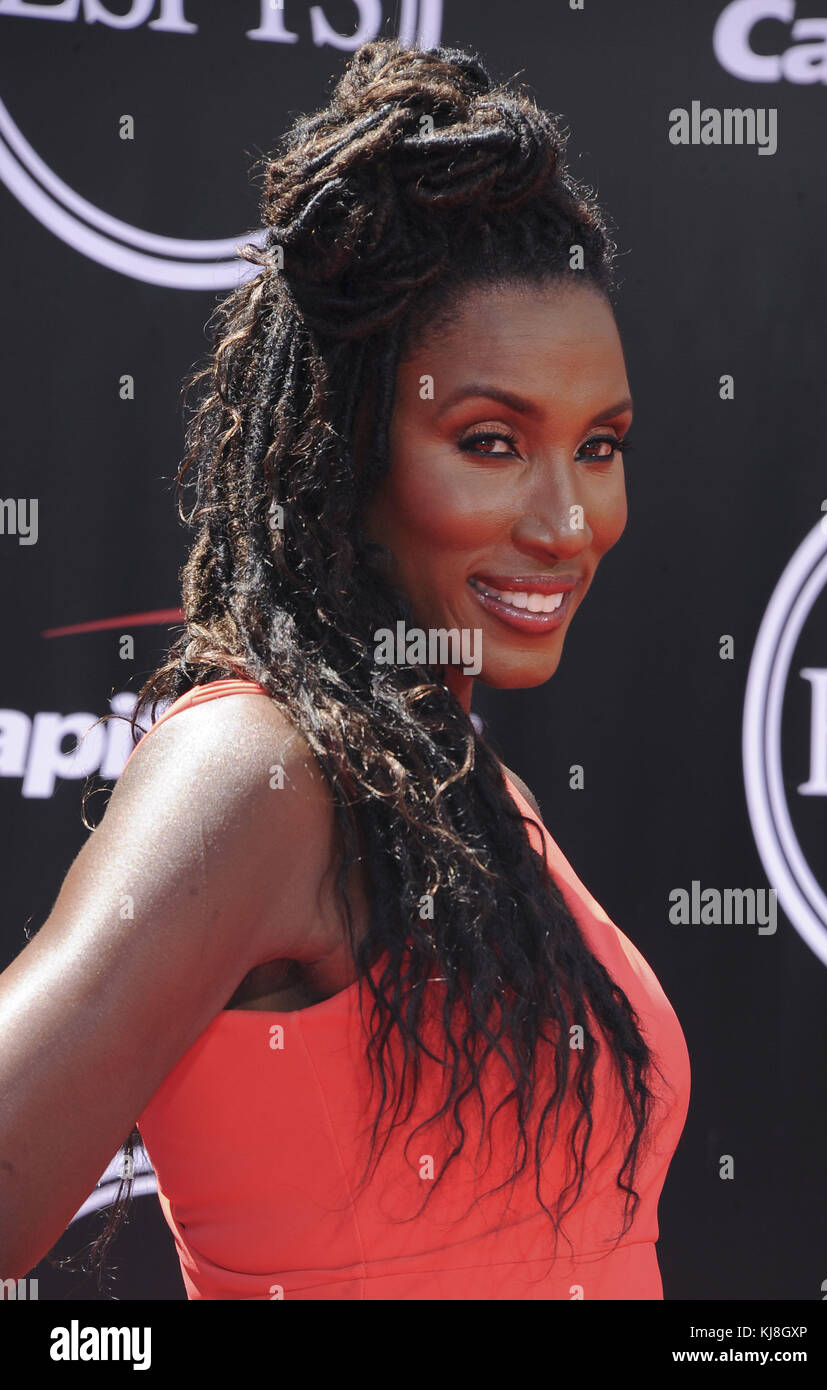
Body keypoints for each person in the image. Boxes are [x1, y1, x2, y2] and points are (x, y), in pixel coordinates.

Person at [0, 37, 689, 1300]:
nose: (567, 521)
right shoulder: (255, 768)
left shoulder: (455, 783)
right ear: (344, 443)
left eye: (600, 445)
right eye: (489, 440)